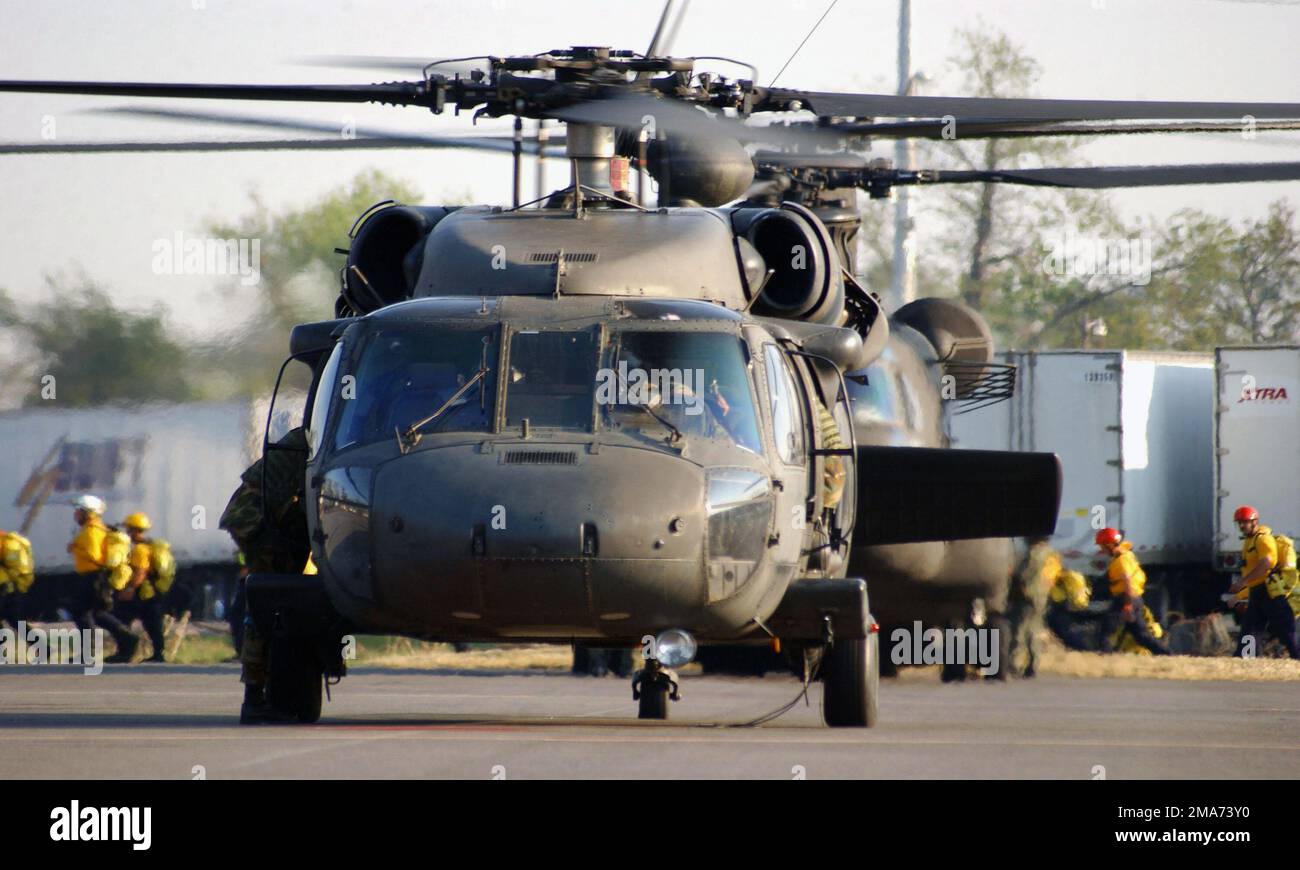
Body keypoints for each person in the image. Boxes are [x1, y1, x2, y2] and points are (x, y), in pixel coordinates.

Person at [219, 428, 311, 723]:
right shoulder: (309, 444)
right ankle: (255, 699)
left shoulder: (303, 438)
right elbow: (304, 498)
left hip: (251, 517)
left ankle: (260, 696)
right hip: (255, 521)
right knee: (267, 608)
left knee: (267, 605)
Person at [67, 494, 139, 663]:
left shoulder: (91, 531)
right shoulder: (95, 529)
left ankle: (95, 650)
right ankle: (126, 639)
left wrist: (75, 548)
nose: (75, 514)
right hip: (93, 577)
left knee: (83, 613)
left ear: (88, 513)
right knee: (95, 613)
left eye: (78, 511)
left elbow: (96, 557)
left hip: (93, 577)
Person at [1228, 505, 1298, 659]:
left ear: (1254, 522)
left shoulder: (1263, 539)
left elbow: (1266, 564)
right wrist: (1241, 593)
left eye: (1245, 522)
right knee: (1250, 627)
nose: (1241, 526)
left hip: (1269, 591)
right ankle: (1245, 657)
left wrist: (1243, 582)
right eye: (1239, 523)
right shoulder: (1250, 540)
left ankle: (1297, 655)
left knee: (1285, 627)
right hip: (1257, 591)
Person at [1095, 528, 1170, 656]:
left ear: (1109, 545)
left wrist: (1127, 605)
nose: (1101, 549)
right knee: (1142, 636)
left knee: (1105, 631)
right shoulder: (1126, 554)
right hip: (1135, 599)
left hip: (1125, 598)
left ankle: (1106, 659)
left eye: (1102, 546)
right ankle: (1167, 654)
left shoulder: (1121, 561)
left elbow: (1127, 582)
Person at [115, 513, 167, 663]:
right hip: (151, 591)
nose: (126, 532)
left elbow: (140, 572)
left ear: (134, 530)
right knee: (152, 623)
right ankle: (157, 654)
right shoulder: (148, 545)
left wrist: (130, 589)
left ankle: (126, 651)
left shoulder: (139, 550)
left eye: (128, 529)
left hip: (144, 592)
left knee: (125, 618)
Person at [1007, 538, 1058, 676]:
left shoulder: (1034, 553)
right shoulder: (1051, 553)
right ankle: (1033, 664)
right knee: (1034, 630)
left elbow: (1024, 575)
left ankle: (1013, 664)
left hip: (1027, 596)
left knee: (1018, 630)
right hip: (1041, 596)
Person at [0, 528, 35, 631]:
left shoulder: (5, 541)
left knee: (15, 621)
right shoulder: (6, 540)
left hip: (4, 587)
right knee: (15, 621)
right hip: (9, 587)